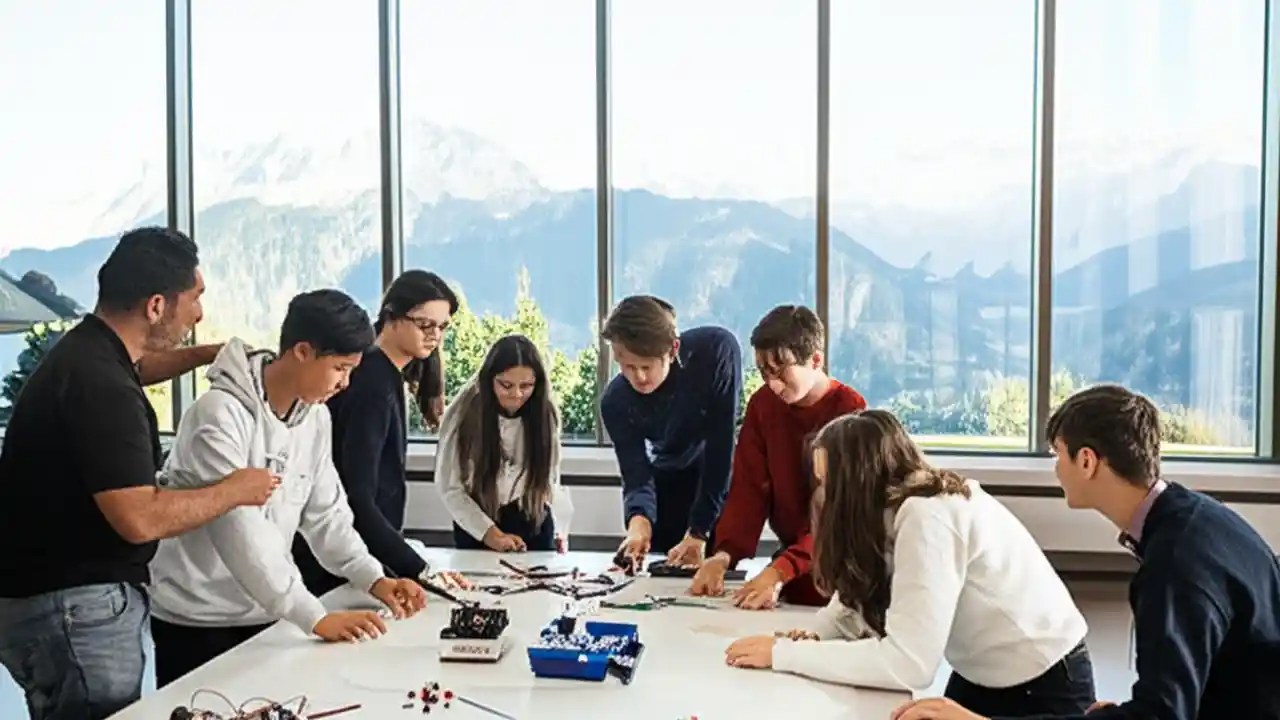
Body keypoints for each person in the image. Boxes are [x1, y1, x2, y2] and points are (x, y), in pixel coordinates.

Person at [0, 227, 278, 720]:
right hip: (76, 611)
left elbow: (140, 366)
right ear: (156, 305)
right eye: (195, 300)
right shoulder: (103, 387)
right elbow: (140, 518)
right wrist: (236, 488)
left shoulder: (88, 352)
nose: (198, 313)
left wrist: (208, 354)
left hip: (46, 602)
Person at [893, 385, 1280, 720]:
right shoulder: (1203, 517)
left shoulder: (1173, 565)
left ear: (1087, 461)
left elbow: (1161, 715)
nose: (1056, 469)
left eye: (1056, 454)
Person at [725, 409, 1094, 716]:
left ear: (857, 481)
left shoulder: (927, 516)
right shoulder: (897, 505)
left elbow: (908, 664)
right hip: (985, 671)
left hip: (1041, 683)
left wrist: (786, 654)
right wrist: (809, 636)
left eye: (830, 482)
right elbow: (851, 604)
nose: (823, 494)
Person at [147, 289, 427, 688]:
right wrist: (314, 616)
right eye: (340, 369)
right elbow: (240, 534)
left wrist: (374, 578)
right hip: (200, 621)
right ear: (302, 351)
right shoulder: (219, 416)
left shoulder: (314, 419)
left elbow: (328, 516)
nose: (345, 384)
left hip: (269, 616)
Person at [294, 269, 466, 596]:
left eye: (442, 327)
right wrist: (417, 569)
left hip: (360, 558)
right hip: (339, 566)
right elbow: (357, 496)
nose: (435, 335)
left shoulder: (384, 374)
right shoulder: (371, 380)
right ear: (392, 317)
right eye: (424, 324)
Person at [690, 304, 865, 609]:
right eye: (763, 372)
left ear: (816, 360)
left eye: (781, 371)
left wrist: (778, 571)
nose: (773, 384)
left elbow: (841, 515)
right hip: (791, 569)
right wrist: (723, 555)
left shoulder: (850, 411)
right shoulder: (762, 406)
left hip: (844, 574)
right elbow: (747, 489)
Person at [599, 295, 742, 568]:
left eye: (646, 366)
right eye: (628, 366)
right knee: (664, 572)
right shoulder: (615, 401)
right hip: (669, 473)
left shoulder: (715, 351)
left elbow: (721, 447)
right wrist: (638, 524)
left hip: (719, 472)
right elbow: (636, 475)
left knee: (718, 571)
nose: (638, 378)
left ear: (673, 349)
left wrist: (699, 531)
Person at [437, 334, 573, 552]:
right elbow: (450, 487)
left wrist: (561, 530)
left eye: (526, 386)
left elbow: (551, 480)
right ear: (489, 379)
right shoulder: (464, 412)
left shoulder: (545, 412)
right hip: (476, 521)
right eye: (506, 385)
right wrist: (490, 534)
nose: (516, 395)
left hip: (531, 517)